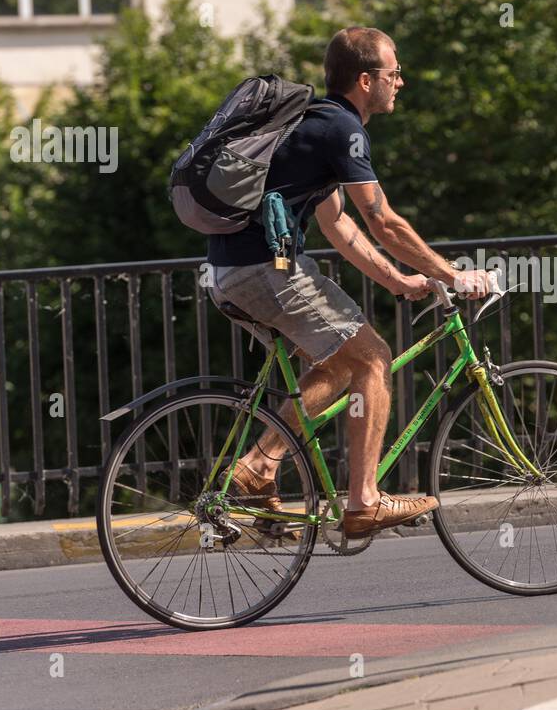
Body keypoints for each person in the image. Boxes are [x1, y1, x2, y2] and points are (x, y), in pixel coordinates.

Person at [206, 27, 495, 537]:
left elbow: (337, 224)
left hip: (235, 272)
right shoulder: (342, 129)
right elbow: (381, 220)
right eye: (393, 73)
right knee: (373, 358)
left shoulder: (313, 125)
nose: (401, 81)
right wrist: (452, 274)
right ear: (366, 80)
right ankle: (363, 501)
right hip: (267, 270)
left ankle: (259, 467)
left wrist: (398, 280)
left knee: (336, 365)